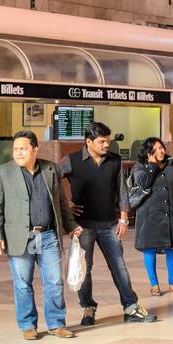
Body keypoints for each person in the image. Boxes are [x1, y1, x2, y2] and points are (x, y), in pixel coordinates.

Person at [59, 121, 156, 326]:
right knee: (85, 269)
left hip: (108, 224)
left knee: (119, 265)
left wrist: (123, 217)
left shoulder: (115, 161)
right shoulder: (71, 161)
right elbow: (52, 180)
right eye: (102, 141)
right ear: (89, 142)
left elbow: (122, 190)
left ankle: (130, 307)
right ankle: (88, 307)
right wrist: (66, 204)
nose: (106, 145)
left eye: (107, 141)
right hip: (82, 225)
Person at [0, 130, 82, 340]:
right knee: (22, 284)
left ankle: (56, 323)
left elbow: (60, 203)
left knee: (55, 281)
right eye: (15, 149)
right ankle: (28, 325)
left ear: (35, 150)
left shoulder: (51, 169)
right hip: (19, 237)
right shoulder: (3, 172)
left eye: (23, 148)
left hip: (48, 235)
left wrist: (71, 225)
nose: (18, 153)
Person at [129, 137, 173, 295]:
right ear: (148, 152)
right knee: (149, 249)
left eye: (162, 147)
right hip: (149, 216)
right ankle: (154, 285)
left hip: (170, 214)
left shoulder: (172, 166)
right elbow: (143, 184)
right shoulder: (140, 167)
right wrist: (151, 166)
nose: (161, 151)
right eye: (156, 149)